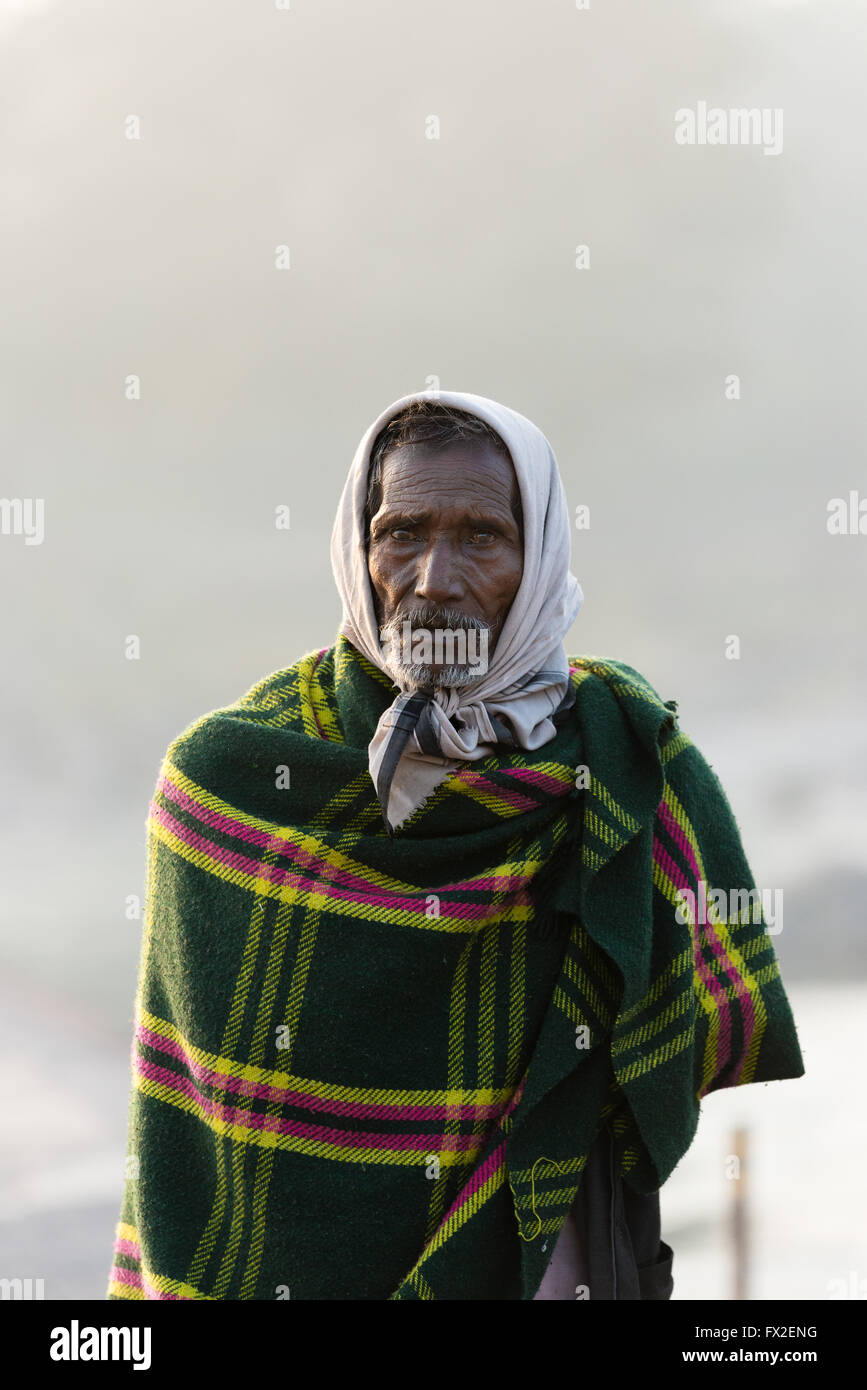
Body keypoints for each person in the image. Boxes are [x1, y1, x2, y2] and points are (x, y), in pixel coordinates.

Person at [107, 390, 804, 1301]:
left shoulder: (623, 761)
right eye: (401, 533)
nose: (434, 576)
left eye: (481, 537)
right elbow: (190, 1141)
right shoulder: (230, 784)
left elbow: (704, 1034)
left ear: (540, 555)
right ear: (358, 551)